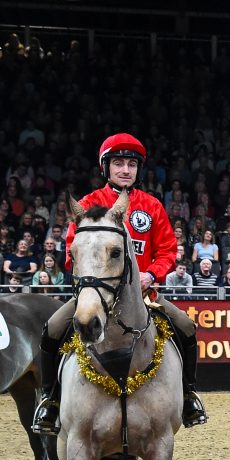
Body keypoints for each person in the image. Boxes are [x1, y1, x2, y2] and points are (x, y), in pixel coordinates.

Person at [31, 132, 208, 435]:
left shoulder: (151, 206)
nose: (125, 170)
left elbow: (166, 250)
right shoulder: (88, 204)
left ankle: (189, 396)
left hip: (144, 296)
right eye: (118, 164)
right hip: (96, 294)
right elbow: (73, 252)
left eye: (131, 164)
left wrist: (151, 274)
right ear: (106, 168)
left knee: (187, 328)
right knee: (52, 330)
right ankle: (50, 400)